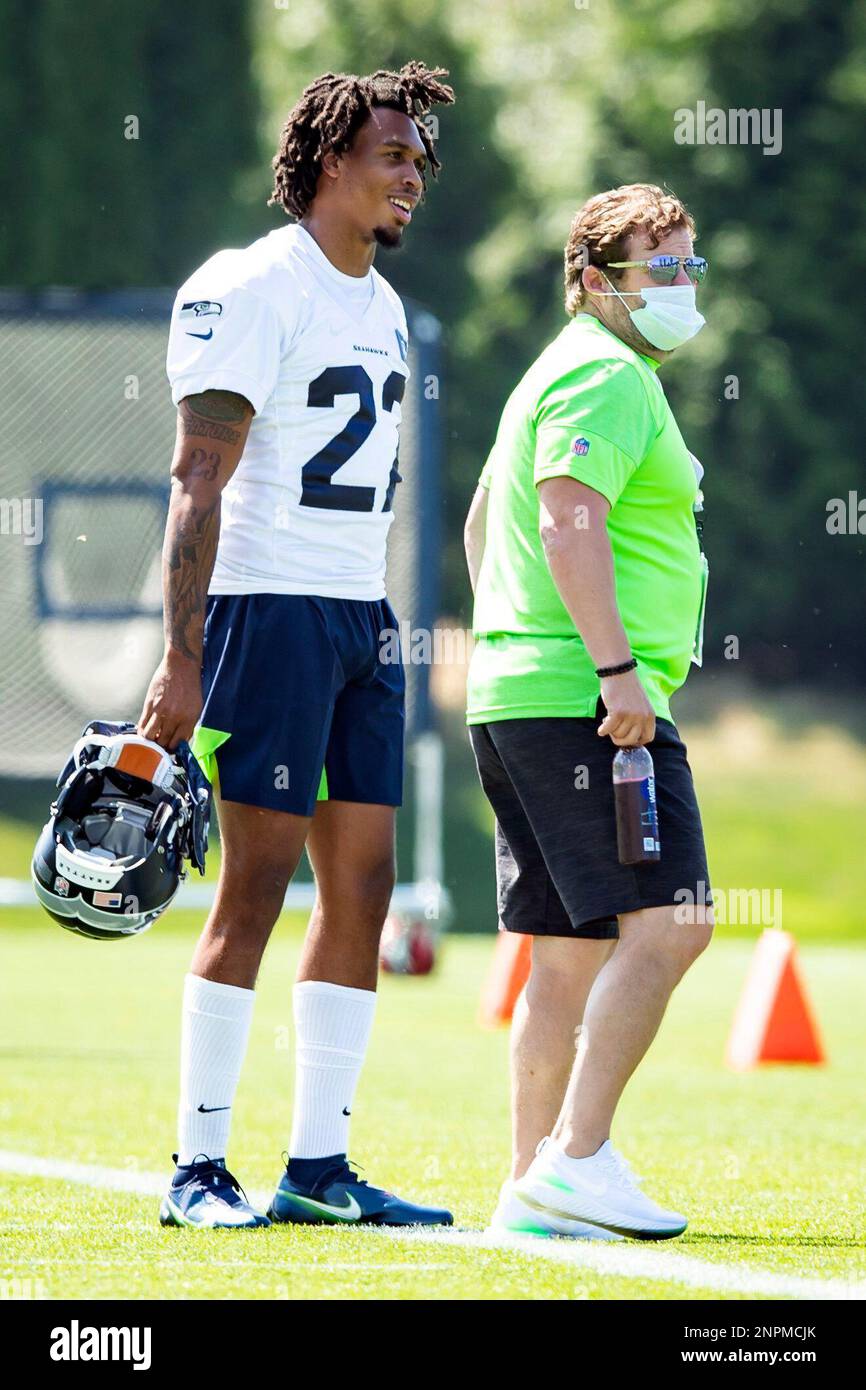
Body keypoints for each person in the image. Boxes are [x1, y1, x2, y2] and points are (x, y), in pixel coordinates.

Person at [137, 63, 456, 1230]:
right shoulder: (250, 283)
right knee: (256, 888)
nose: (412, 176)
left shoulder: (377, 303)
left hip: (355, 619)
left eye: (419, 159)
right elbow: (196, 479)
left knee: (361, 885)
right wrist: (183, 654)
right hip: (264, 613)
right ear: (329, 160)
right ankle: (197, 1167)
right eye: (392, 156)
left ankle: (318, 1167)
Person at [464, 183, 713, 1241]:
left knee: (563, 950)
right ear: (593, 280)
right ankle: (575, 1158)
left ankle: (529, 1183)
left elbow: (484, 523)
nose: (681, 288)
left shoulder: (554, 373)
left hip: (521, 695)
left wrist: (507, 649)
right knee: (677, 921)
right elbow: (565, 522)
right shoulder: (607, 376)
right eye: (659, 269)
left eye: (688, 265)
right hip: (590, 704)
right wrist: (611, 670)